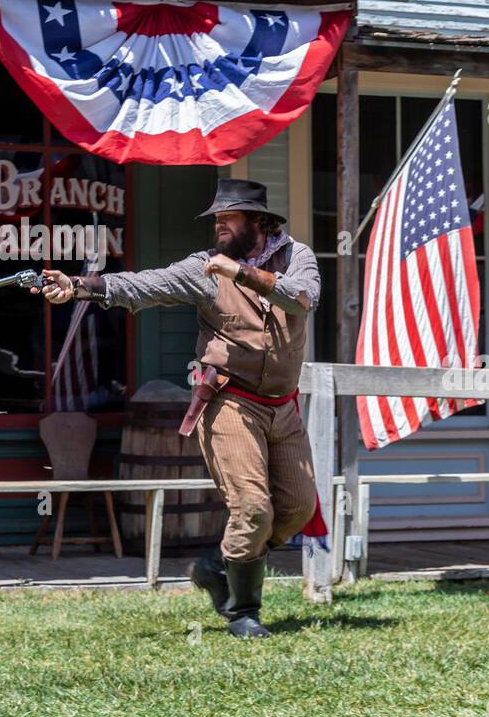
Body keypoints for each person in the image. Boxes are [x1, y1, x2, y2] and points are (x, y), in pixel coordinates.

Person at [36, 179, 323, 638]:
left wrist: (240, 273)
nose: (219, 227)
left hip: (284, 406)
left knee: (296, 507)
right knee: (252, 507)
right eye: (217, 221)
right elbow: (144, 285)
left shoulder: (298, 258)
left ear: (258, 222)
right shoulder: (202, 268)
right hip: (230, 401)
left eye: (228, 219)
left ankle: (215, 566)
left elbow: (302, 298)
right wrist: (78, 286)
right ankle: (243, 611)